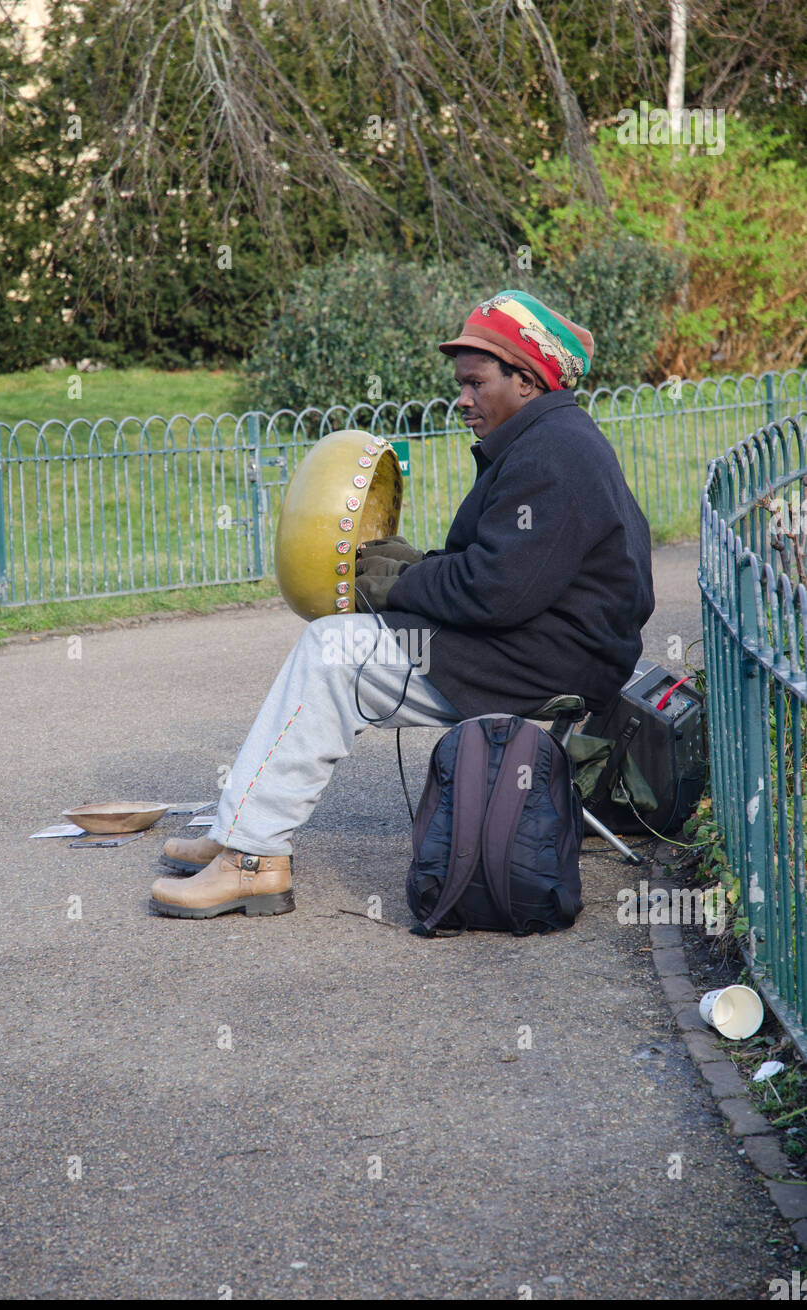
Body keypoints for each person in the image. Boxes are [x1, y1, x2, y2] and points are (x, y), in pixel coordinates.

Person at [149, 289, 654, 919]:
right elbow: (501, 575)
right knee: (340, 647)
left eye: (475, 383)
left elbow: (494, 591)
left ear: (525, 379)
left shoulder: (554, 453)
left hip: (542, 661)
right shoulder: (550, 438)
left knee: (332, 653)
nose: (462, 399)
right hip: (538, 646)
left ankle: (254, 859)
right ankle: (239, 833)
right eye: (461, 385)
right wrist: (420, 572)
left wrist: (402, 582)